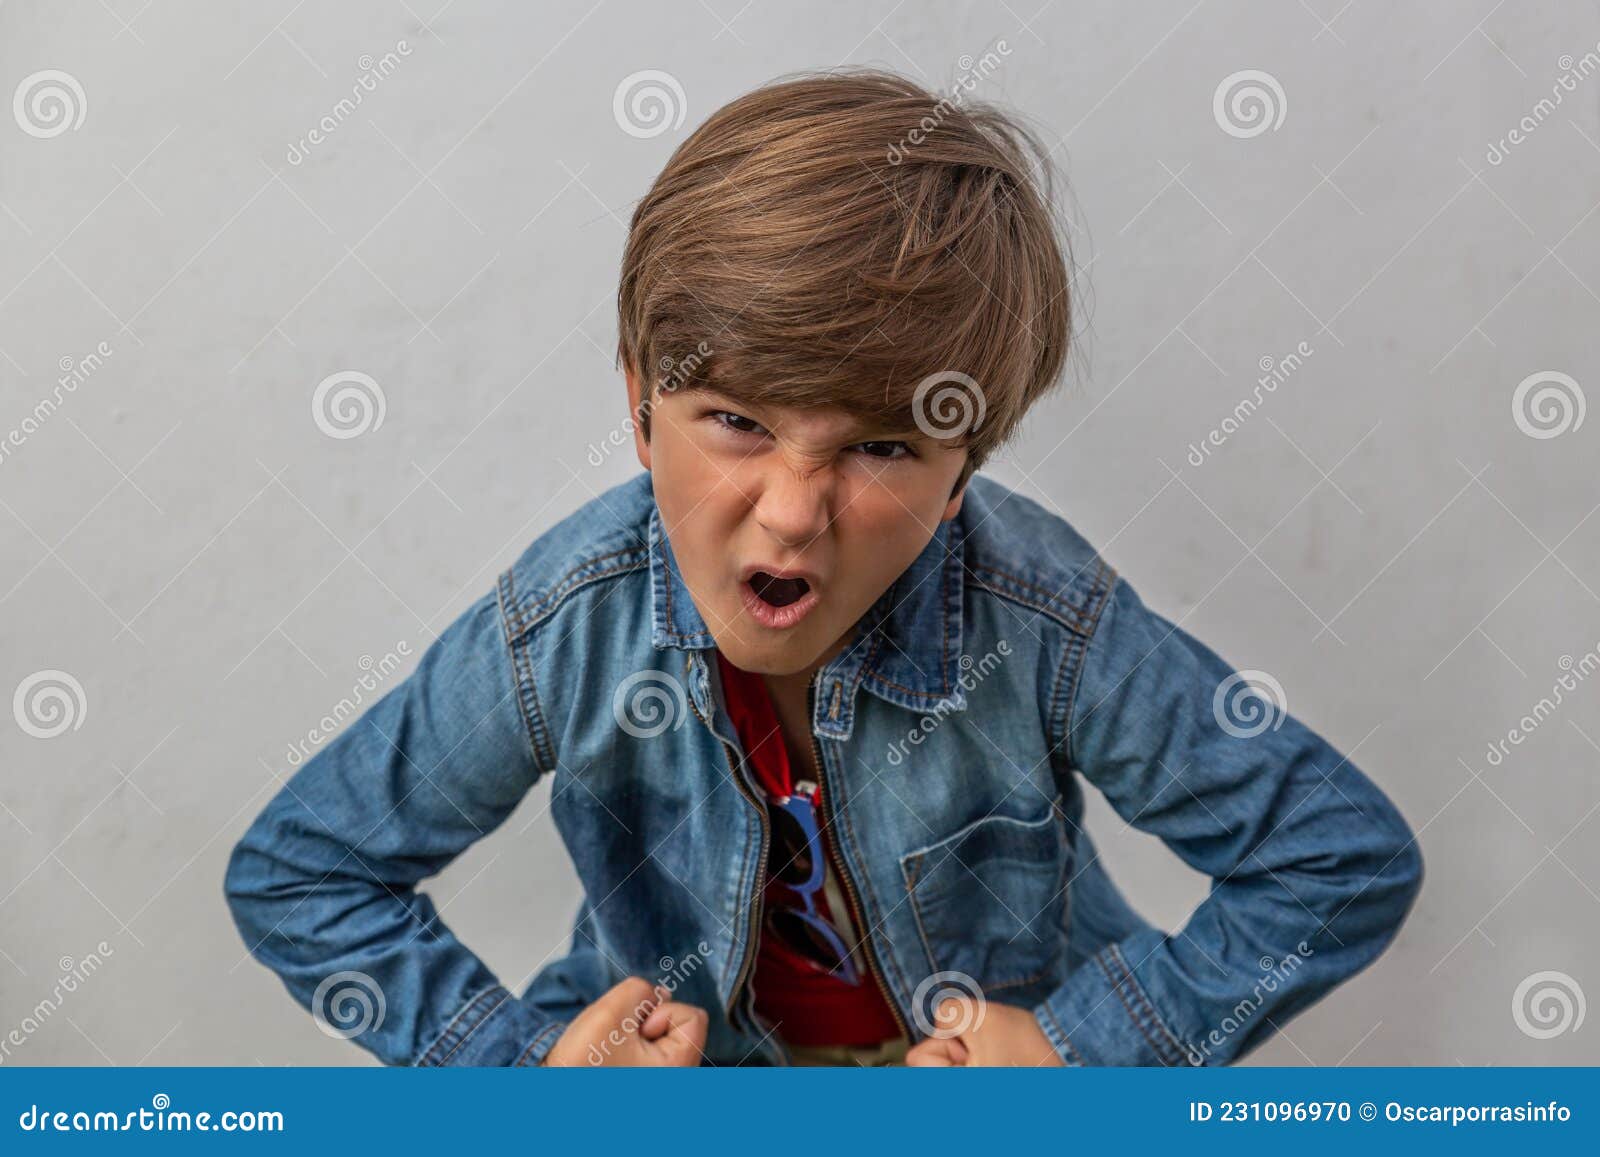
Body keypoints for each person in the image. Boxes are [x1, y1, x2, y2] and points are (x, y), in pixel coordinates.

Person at [224, 69, 1423, 1067]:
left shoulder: (1034, 613)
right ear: (642, 410)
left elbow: (1331, 857)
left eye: (883, 447)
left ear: (960, 475)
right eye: (736, 421)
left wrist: (1082, 1051)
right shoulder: (569, 621)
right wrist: (520, 1070)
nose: (793, 516)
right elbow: (305, 870)